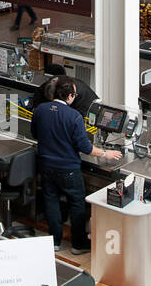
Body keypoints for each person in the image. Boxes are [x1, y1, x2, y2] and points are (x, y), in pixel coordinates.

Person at [31, 77, 122, 254]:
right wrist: (106, 153)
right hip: (68, 169)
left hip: (46, 165)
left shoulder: (40, 110)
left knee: (51, 201)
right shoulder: (74, 117)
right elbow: (85, 147)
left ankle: (54, 242)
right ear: (71, 96)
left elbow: (35, 133)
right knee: (77, 203)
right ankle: (78, 244)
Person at [29, 63, 98, 116]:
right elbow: (39, 92)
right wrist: (36, 108)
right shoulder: (53, 83)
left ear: (70, 96)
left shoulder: (86, 104)